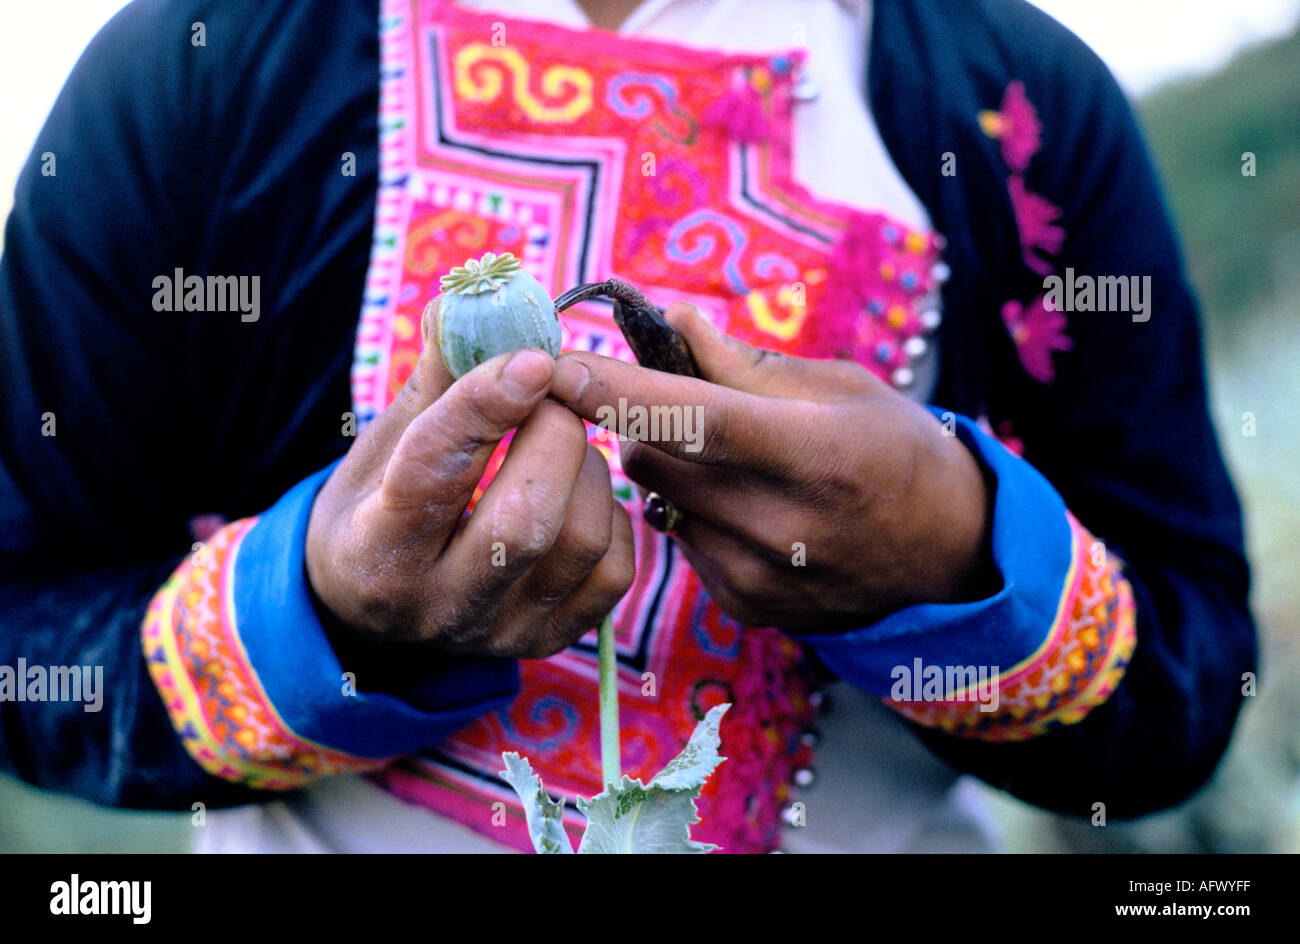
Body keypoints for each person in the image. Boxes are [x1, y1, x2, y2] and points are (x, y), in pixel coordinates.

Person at [0, 0, 1255, 853]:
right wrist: (323, 607)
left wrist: (955, 554)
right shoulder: (196, 70)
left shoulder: (1020, 109)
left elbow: (1190, 669)